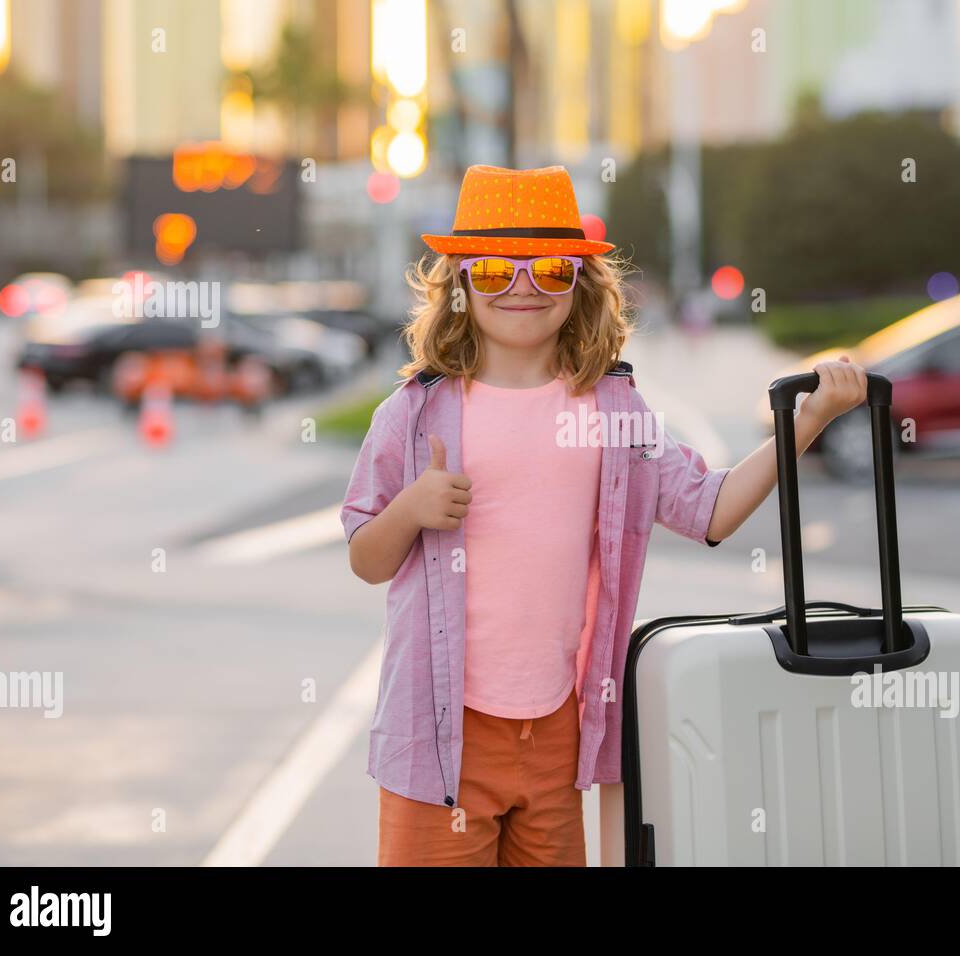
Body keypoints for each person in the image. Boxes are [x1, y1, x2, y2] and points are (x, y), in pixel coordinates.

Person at [340, 164, 867, 866]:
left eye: (551, 270)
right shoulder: (412, 414)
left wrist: (812, 418)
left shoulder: (612, 413)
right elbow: (367, 560)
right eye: (495, 270)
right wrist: (411, 508)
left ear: (579, 286)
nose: (522, 287)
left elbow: (711, 510)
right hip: (438, 741)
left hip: (557, 735)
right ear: (461, 284)